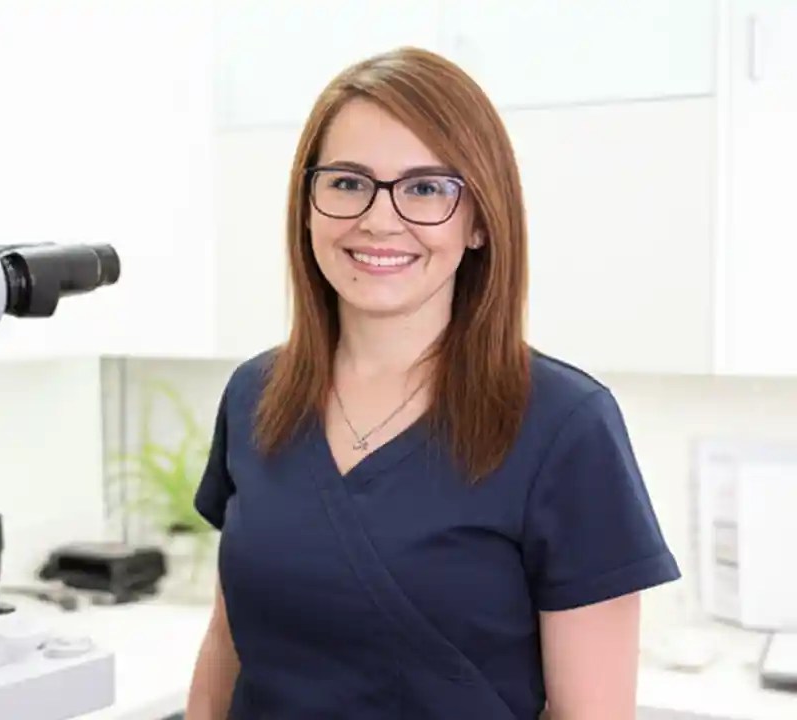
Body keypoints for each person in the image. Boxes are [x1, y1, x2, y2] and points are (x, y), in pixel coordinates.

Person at [184, 46, 681, 720]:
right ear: (307, 207)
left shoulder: (564, 425)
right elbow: (226, 649)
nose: (379, 219)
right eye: (348, 182)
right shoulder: (256, 396)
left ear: (479, 220)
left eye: (426, 188)